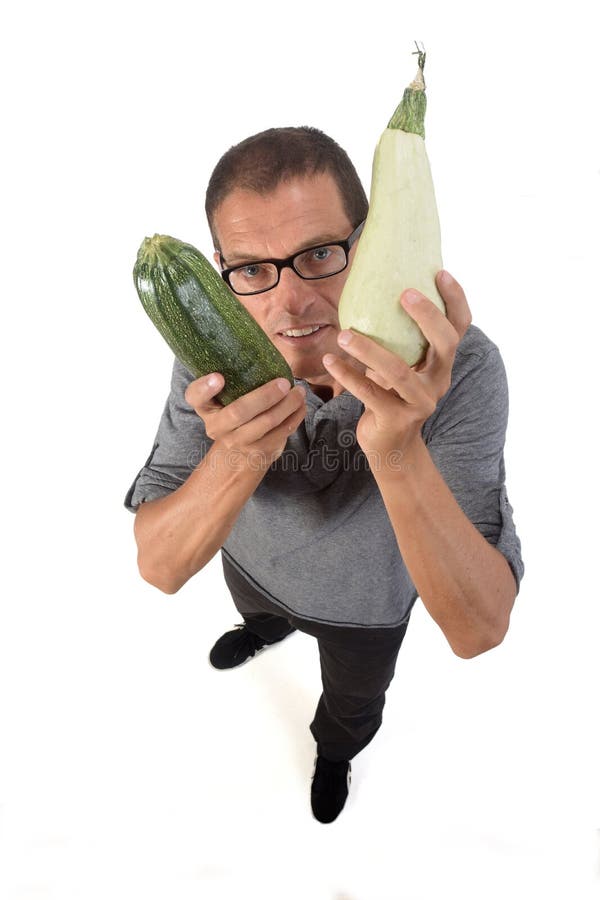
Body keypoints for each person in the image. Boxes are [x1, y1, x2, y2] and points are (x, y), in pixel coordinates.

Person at [124, 126, 524, 824]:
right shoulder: (209, 355)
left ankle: (334, 753)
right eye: (251, 270)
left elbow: (479, 628)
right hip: (254, 570)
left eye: (318, 255)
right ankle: (264, 630)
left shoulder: (460, 369)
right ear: (221, 270)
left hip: (364, 615)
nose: (289, 305)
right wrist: (240, 453)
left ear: (367, 244)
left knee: (350, 706)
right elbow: (159, 567)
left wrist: (397, 447)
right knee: (258, 613)